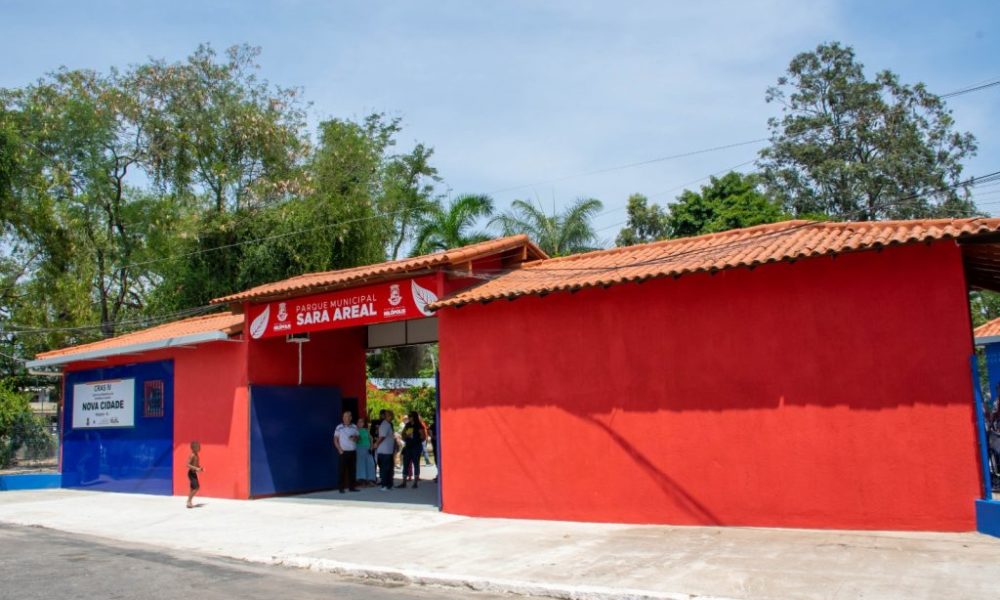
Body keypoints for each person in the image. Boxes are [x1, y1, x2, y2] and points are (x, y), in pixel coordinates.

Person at [398, 411, 427, 489]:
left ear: (414, 417)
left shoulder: (419, 425)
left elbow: (423, 437)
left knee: (416, 464)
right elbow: (403, 434)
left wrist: (416, 438)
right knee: (406, 463)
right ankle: (404, 482)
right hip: (408, 446)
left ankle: (415, 483)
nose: (409, 418)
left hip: (416, 446)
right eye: (409, 416)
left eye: (410, 416)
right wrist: (406, 437)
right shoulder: (407, 425)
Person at [333, 410, 360, 493]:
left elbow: (358, 438)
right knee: (342, 470)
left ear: (351, 418)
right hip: (343, 452)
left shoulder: (354, 427)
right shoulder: (339, 427)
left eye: (348, 417)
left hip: (352, 451)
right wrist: (339, 449)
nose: (346, 418)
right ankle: (341, 488)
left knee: (352, 470)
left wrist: (354, 438)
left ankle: (352, 487)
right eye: (344, 417)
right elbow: (335, 439)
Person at [374, 410, 395, 491]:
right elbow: (382, 437)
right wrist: (376, 444)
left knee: (388, 468)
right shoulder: (385, 425)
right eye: (390, 415)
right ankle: (384, 485)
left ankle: (388, 485)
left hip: (387, 450)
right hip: (384, 450)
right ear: (386, 416)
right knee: (385, 468)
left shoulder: (388, 424)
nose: (391, 417)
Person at [355, 416, 376, 486]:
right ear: (357, 423)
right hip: (359, 448)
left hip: (367, 448)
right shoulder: (355, 430)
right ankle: (362, 480)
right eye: (359, 422)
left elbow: (371, 438)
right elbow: (355, 440)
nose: (360, 423)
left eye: (362, 422)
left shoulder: (366, 430)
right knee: (361, 464)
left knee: (371, 463)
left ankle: (370, 479)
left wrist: (371, 446)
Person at [186, 441, 203, 509]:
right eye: (198, 447)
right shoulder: (192, 455)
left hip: (194, 473)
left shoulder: (197, 455)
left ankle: (189, 502)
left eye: (199, 446)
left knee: (192, 488)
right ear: (193, 448)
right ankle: (188, 501)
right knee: (196, 488)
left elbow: (196, 464)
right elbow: (187, 464)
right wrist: (196, 468)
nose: (199, 448)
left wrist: (199, 468)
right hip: (191, 473)